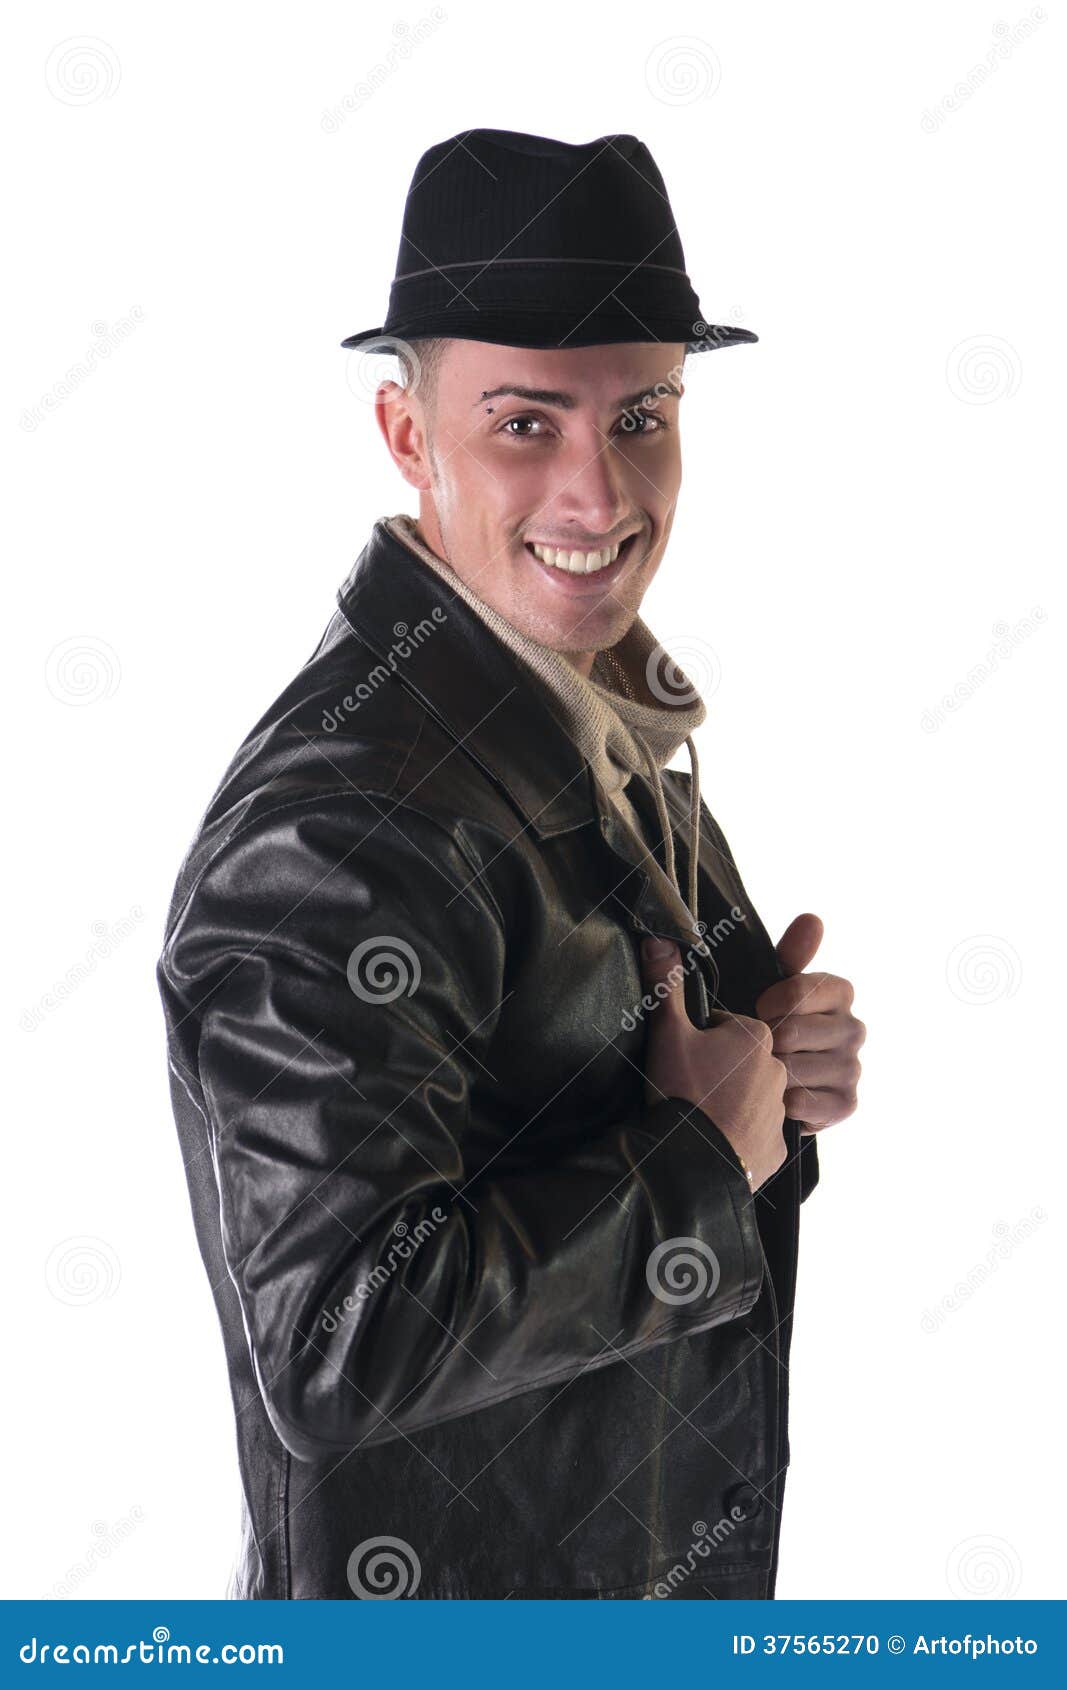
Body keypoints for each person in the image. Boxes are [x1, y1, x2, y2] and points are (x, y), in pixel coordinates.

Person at [156, 128, 864, 1601]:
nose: (601, 498)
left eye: (643, 416)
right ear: (409, 438)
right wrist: (693, 1162)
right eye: (526, 424)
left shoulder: (578, 715)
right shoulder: (344, 820)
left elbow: (613, 1110)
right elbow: (339, 1339)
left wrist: (761, 1085)